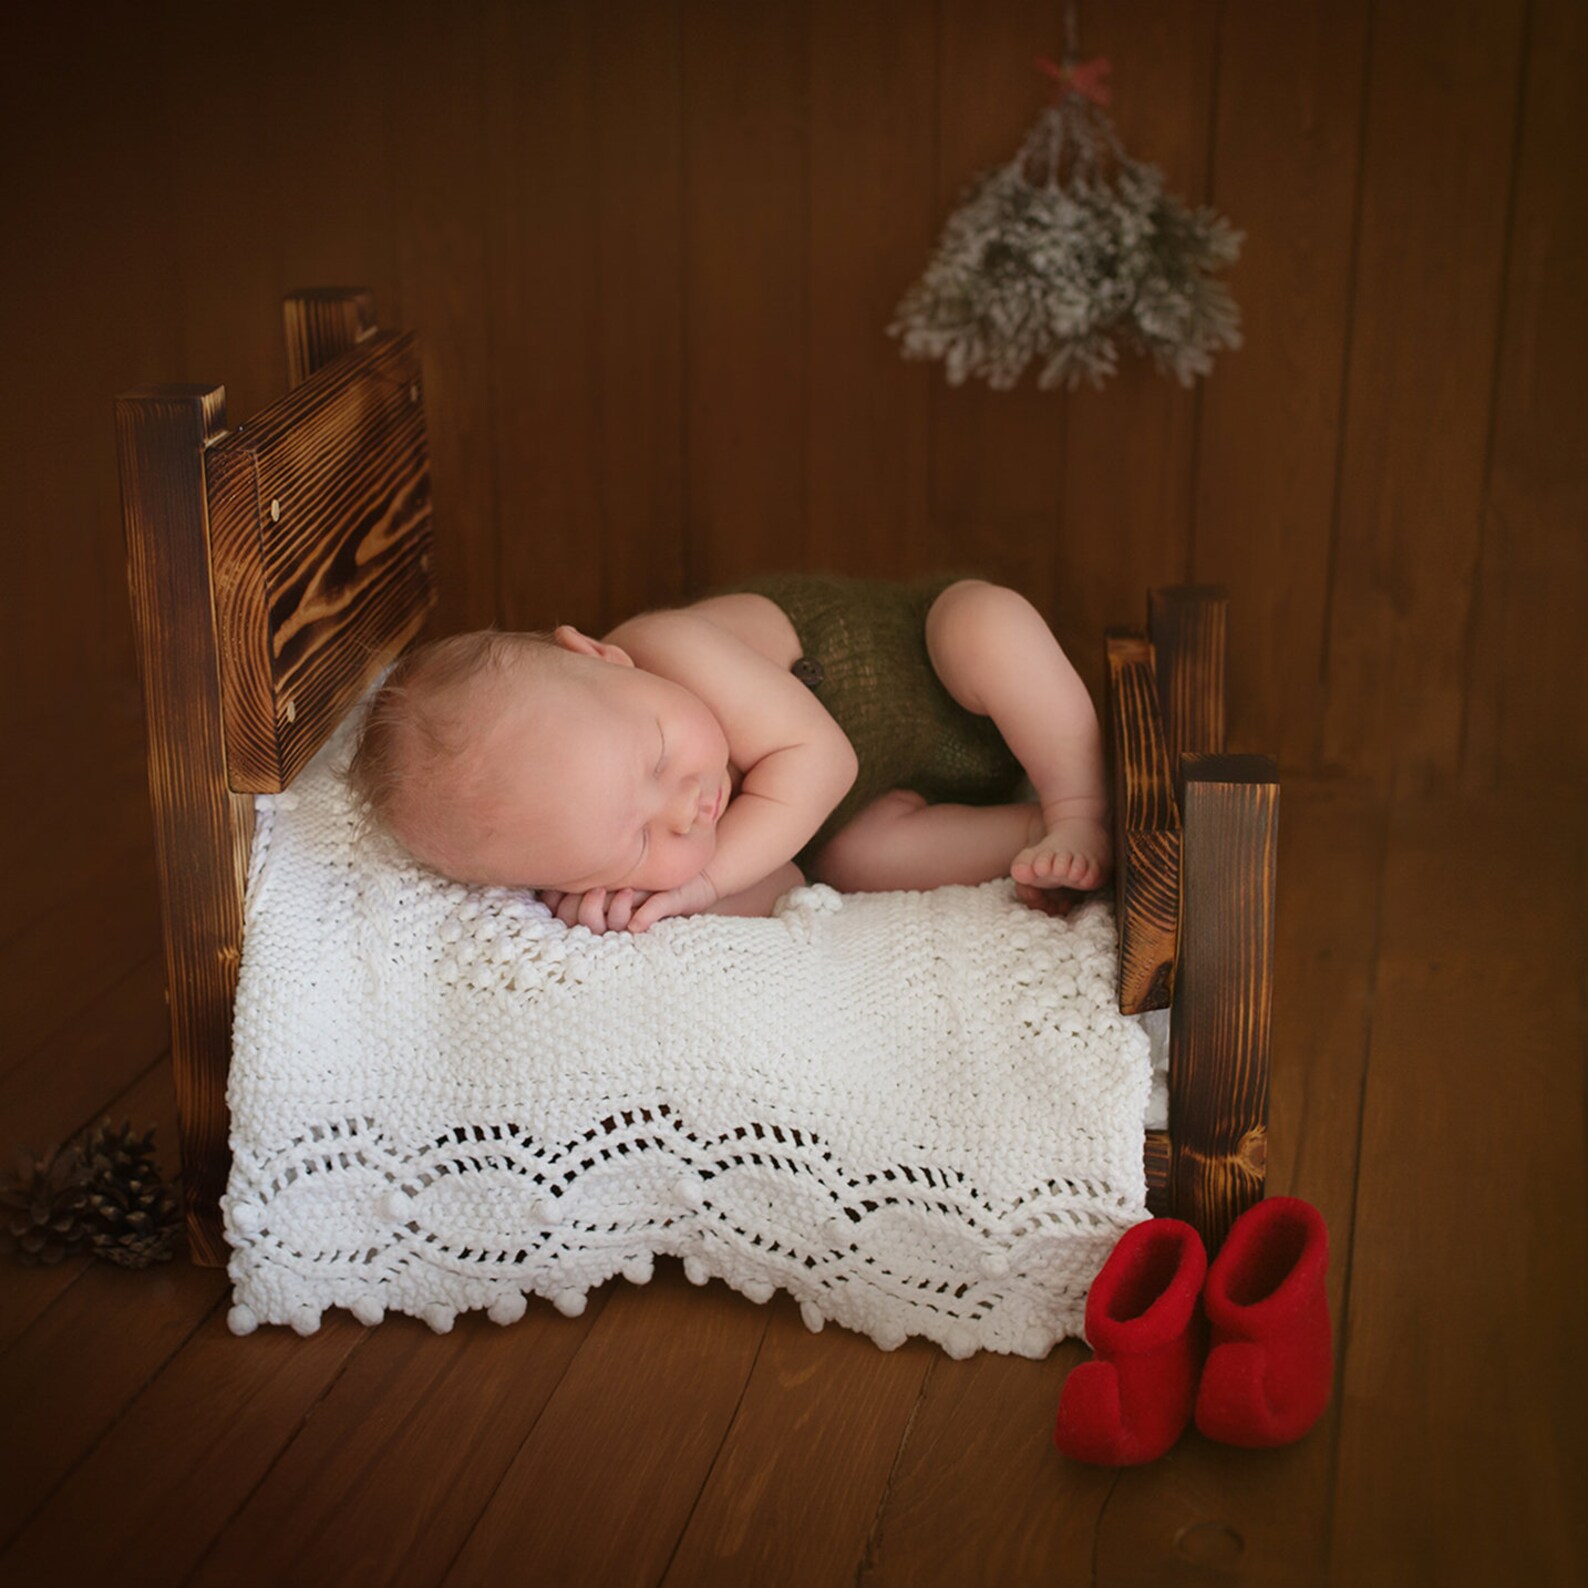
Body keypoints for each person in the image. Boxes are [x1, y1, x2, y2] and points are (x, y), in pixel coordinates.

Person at [347, 574, 1112, 934]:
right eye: (635, 842)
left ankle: (1078, 802)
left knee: (984, 622)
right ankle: (1034, 835)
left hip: (942, 678)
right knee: (852, 861)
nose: (685, 806)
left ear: (605, 657)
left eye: (654, 760)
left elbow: (824, 761)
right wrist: (655, 904)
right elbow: (779, 872)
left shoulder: (669, 646)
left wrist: (695, 881)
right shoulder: (687, 828)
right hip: (892, 798)